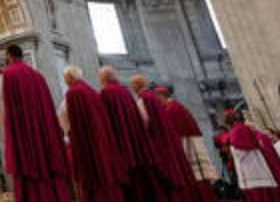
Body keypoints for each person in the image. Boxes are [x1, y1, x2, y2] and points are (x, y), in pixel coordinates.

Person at [0, 44, 72, 202]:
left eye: (5, 56)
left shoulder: (7, 75)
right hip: (42, 132)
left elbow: (2, 108)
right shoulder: (38, 76)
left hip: (23, 132)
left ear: (9, 56)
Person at [98, 66, 168, 202]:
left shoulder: (105, 93)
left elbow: (105, 120)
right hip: (136, 140)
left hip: (120, 141)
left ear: (103, 78)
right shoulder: (125, 91)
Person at [60, 66, 126, 202]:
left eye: (65, 77)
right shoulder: (91, 91)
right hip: (100, 139)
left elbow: (68, 120)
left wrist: (67, 135)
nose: (64, 80)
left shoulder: (73, 93)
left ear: (70, 78)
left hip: (86, 142)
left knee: (93, 175)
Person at [130, 75, 192, 201]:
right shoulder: (154, 97)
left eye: (133, 85)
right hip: (168, 140)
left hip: (156, 142)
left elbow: (144, 122)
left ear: (136, 86)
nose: (132, 88)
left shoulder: (143, 99)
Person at [156, 86, 219, 202]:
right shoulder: (177, 106)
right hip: (191, 141)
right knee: (200, 176)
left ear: (162, 96)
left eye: (158, 99)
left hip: (186, 144)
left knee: (194, 175)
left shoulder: (171, 109)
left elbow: (174, 131)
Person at [224, 110, 280, 202]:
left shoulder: (234, 132)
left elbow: (238, 150)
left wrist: (231, 151)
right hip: (260, 169)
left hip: (249, 173)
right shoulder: (244, 129)